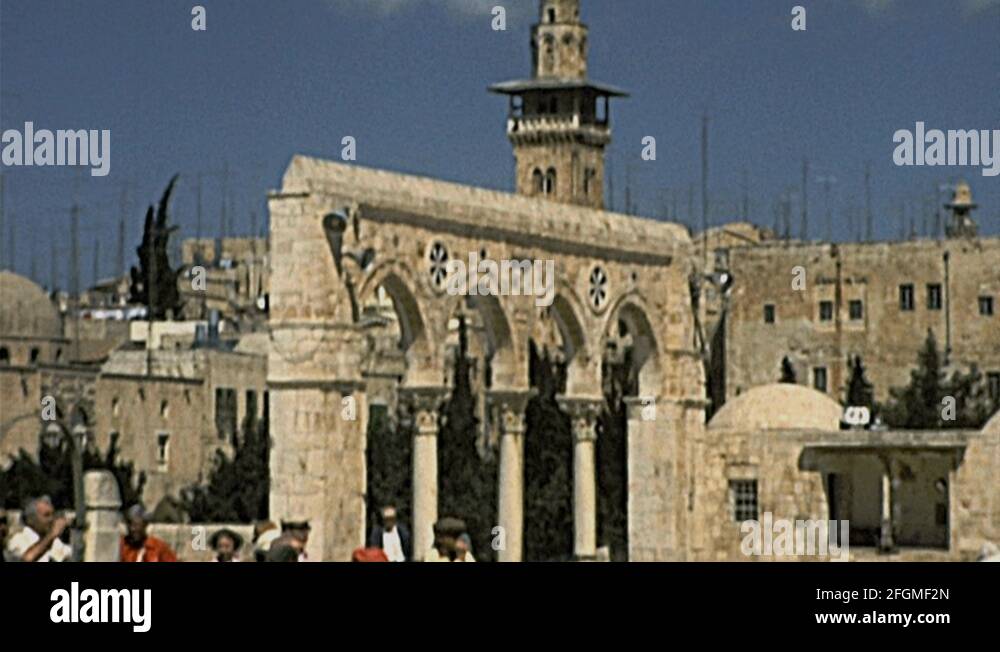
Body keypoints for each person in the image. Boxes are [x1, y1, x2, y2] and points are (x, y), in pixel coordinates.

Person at [6, 496, 71, 562]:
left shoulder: (53, 540)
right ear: (31, 520)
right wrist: (51, 535)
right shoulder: (18, 539)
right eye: (46, 515)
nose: (51, 519)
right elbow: (27, 559)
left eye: (53, 515)